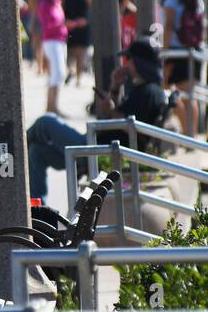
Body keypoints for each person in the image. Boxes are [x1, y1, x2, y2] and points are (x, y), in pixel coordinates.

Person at [26, 38, 168, 202]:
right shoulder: (144, 89)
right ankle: (39, 212)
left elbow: (132, 127)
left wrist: (112, 110)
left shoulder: (148, 92)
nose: (126, 65)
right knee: (37, 152)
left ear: (138, 63)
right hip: (98, 145)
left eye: (129, 60)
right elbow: (119, 115)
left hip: (100, 149)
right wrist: (115, 87)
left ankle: (15, 148)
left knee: (46, 121)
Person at [161, 0, 204, 136]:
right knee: (190, 96)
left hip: (176, 50)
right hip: (195, 50)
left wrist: (163, 51)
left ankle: (186, 132)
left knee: (169, 90)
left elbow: (169, 26)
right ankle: (191, 134)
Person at [37, 0, 69, 116]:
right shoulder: (45, 3)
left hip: (60, 40)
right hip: (51, 41)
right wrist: (65, 24)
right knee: (57, 73)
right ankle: (51, 107)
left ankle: (52, 106)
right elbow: (47, 25)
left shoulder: (57, 2)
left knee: (58, 74)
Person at [64, 0, 92, 86]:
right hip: (82, 24)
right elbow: (90, 7)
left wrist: (67, 21)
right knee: (81, 53)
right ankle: (78, 78)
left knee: (71, 51)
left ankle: (71, 70)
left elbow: (63, 7)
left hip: (70, 24)